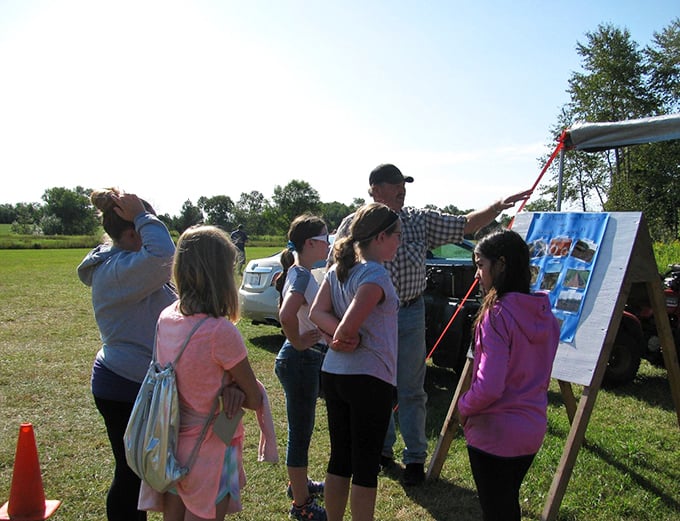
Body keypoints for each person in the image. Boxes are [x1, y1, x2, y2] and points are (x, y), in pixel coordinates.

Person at [331, 163, 532, 485]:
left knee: (411, 388)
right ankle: (383, 451)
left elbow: (463, 225)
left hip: (410, 312)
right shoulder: (352, 225)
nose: (403, 189)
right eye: (395, 184)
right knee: (378, 387)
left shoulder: (417, 219)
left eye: (404, 184)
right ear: (375, 189)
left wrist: (497, 207)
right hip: (370, 320)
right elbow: (334, 273)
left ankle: (414, 459)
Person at [147, 225, 263, 521]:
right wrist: (234, 391)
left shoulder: (166, 317)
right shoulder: (219, 331)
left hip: (170, 443)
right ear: (221, 274)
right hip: (209, 448)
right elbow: (254, 398)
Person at [77, 188, 178, 521]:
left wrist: (139, 216)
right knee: (131, 474)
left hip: (127, 382)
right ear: (133, 232)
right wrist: (142, 214)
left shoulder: (126, 264)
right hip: (124, 385)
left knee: (138, 473)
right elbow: (165, 254)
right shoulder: (121, 269)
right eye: (146, 227)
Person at [458, 229, 560, 521]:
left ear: (500, 264)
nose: (477, 274)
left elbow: (489, 385)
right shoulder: (545, 314)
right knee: (505, 506)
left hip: (495, 433)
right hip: (531, 430)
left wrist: (463, 408)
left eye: (480, 265)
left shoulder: (498, 314)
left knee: (498, 510)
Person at [310, 203, 401, 521]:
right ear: (380, 237)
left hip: (335, 374)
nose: (399, 242)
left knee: (340, 459)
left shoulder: (338, 269)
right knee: (365, 466)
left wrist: (338, 335)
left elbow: (317, 313)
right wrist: (347, 335)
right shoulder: (374, 273)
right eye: (397, 235)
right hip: (368, 377)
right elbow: (350, 326)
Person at [274, 214, 331, 521]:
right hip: (300, 359)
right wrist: (296, 341)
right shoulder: (303, 276)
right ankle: (302, 505)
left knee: (302, 429)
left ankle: (299, 483)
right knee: (300, 433)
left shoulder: (300, 272)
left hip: (300, 359)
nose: (328, 245)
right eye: (325, 239)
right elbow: (286, 314)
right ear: (310, 243)